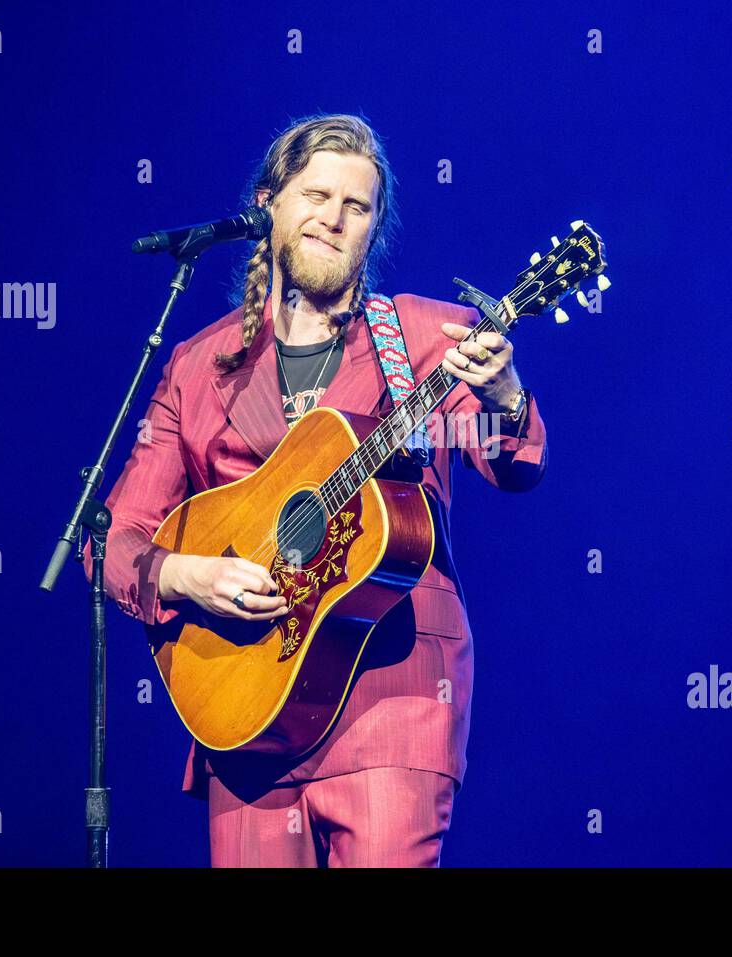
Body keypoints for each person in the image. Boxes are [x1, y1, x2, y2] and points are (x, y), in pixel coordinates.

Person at [82, 113, 547, 866]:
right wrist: (186, 573)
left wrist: (506, 394)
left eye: (356, 207)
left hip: (391, 701)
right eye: (316, 194)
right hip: (246, 710)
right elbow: (114, 538)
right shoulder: (199, 368)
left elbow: (513, 462)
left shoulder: (424, 337)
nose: (333, 218)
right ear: (269, 201)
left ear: (373, 229)